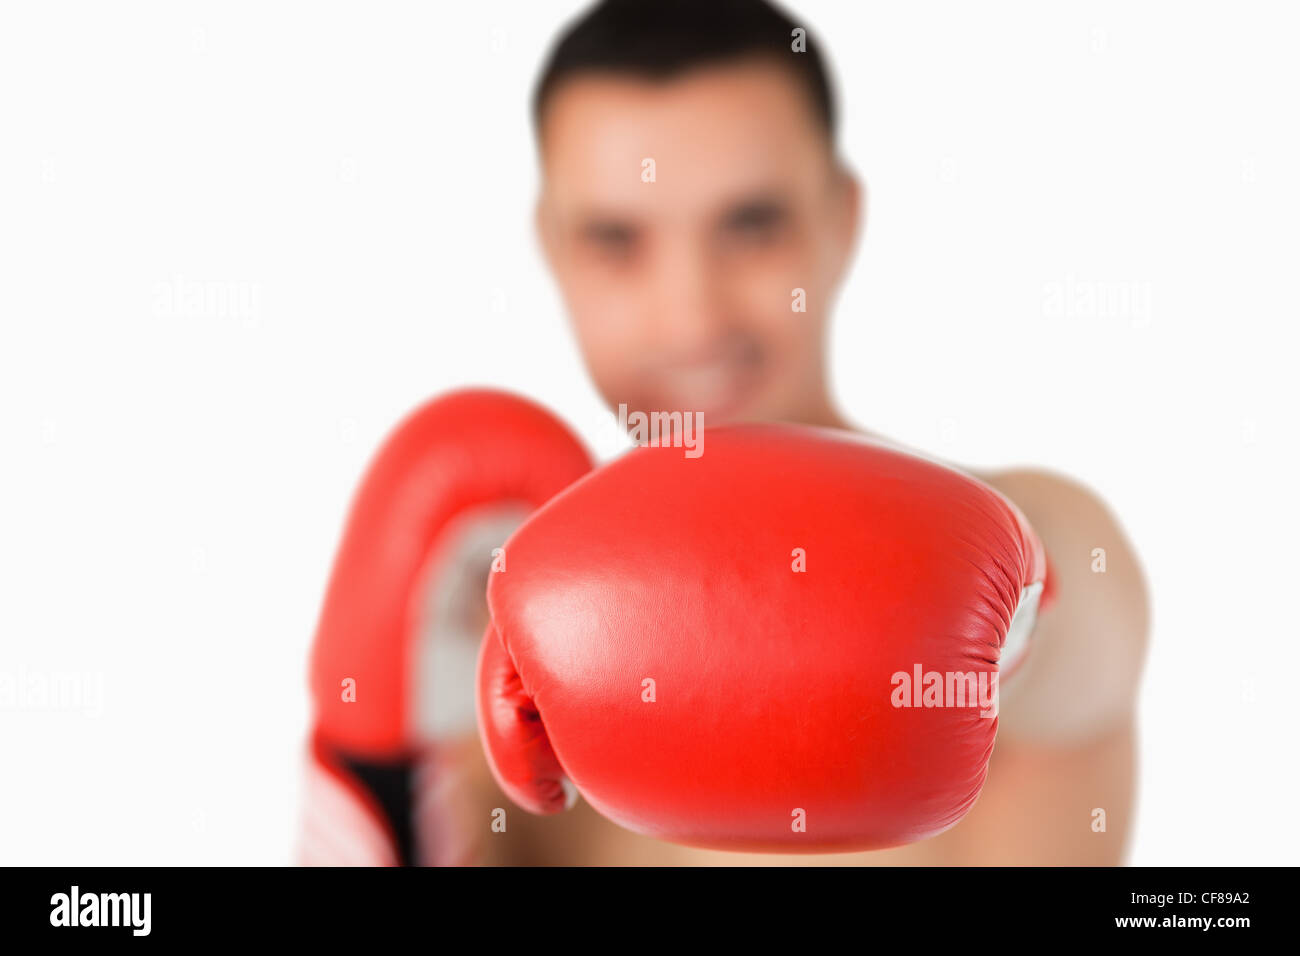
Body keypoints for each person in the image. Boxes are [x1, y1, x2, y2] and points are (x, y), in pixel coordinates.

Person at [305, 0, 1149, 866]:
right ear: (552, 249)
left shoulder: (1033, 532)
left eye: (751, 224)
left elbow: (1083, 636)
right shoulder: (524, 637)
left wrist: (1006, 623)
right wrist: (378, 767)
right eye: (615, 238)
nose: (691, 317)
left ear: (842, 220)